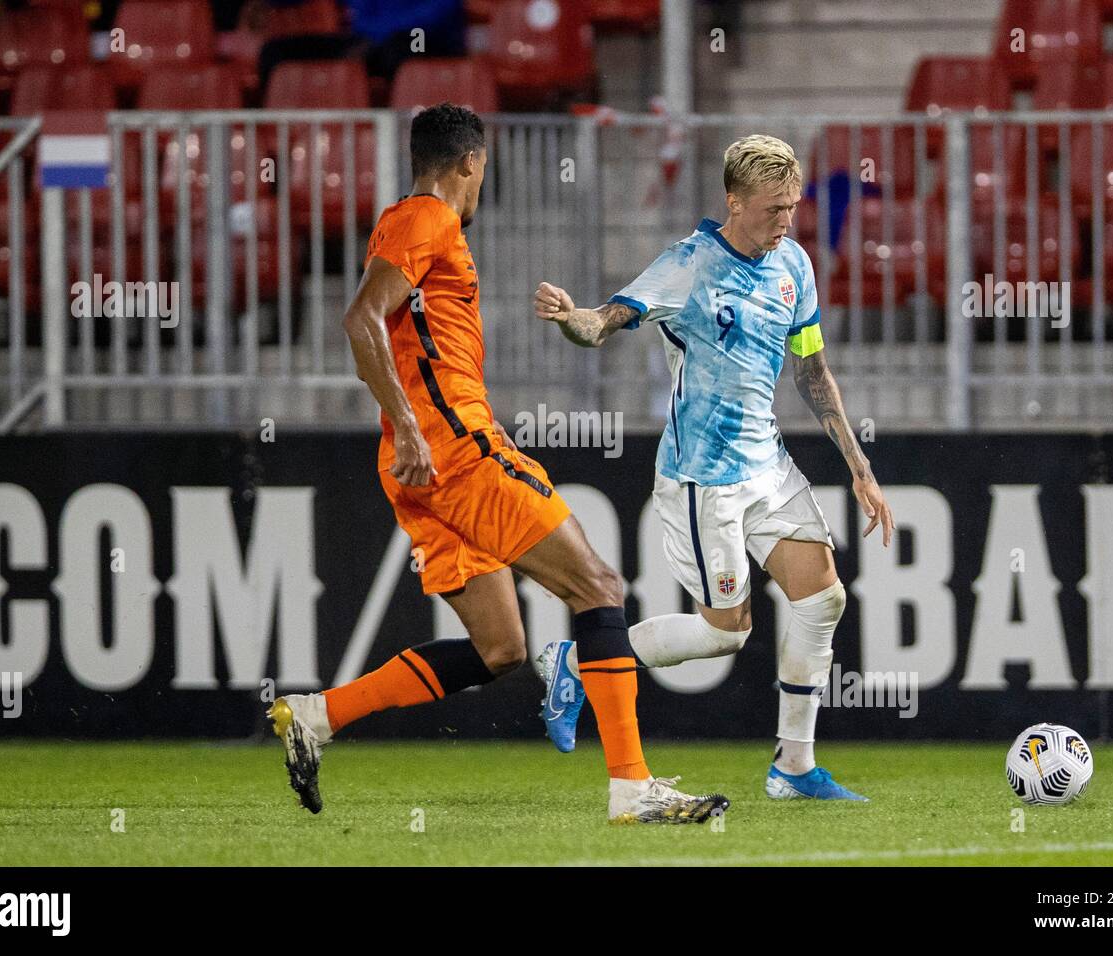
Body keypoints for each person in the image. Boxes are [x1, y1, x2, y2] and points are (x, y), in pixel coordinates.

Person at [268, 104, 728, 825]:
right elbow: (360, 318)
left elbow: (383, 324)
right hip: (453, 451)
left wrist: (409, 432)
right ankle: (632, 789)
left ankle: (318, 716)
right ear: (472, 163)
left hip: (418, 461)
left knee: (500, 647)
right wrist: (417, 426)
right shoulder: (428, 218)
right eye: (485, 170)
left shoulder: (410, 223)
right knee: (598, 586)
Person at [533, 134, 896, 802]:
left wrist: (859, 466)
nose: (785, 221)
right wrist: (569, 318)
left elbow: (811, 370)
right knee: (725, 634)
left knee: (823, 597)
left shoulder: (794, 265)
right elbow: (604, 323)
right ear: (733, 200)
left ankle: (793, 767)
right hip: (703, 477)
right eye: (771, 209)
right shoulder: (689, 267)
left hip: (769, 467)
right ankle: (578, 664)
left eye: (792, 206)